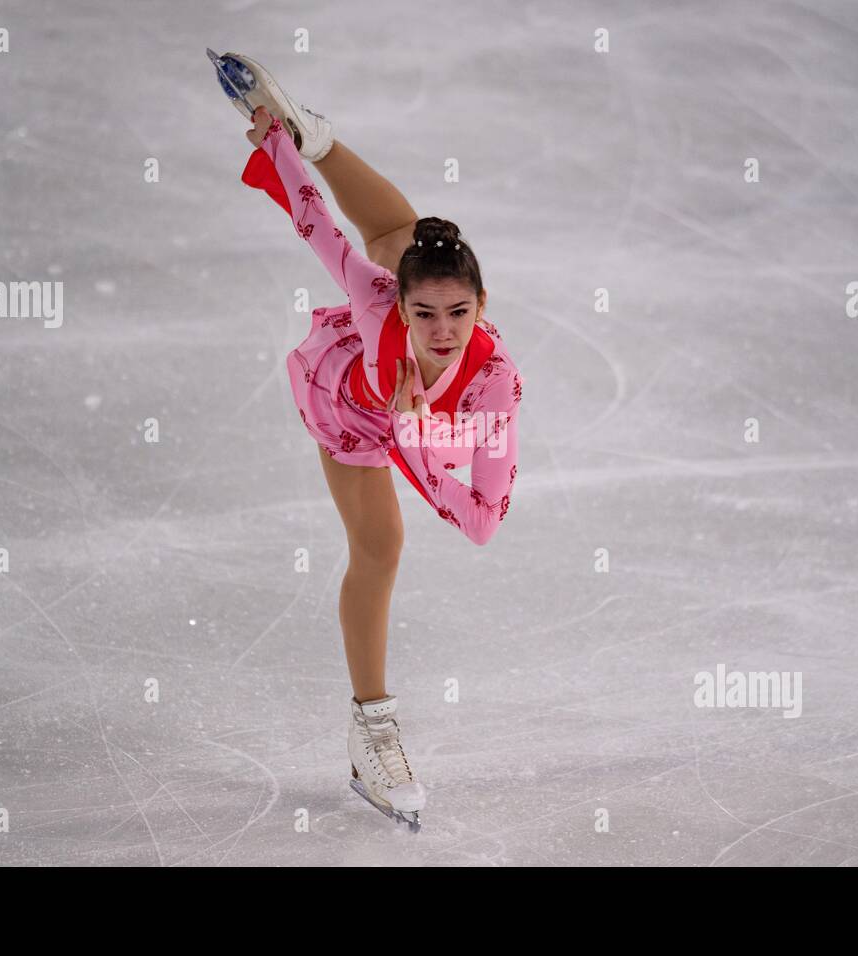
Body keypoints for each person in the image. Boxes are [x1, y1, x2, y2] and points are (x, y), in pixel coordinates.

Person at [209, 51, 524, 831]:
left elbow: (482, 520)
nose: (443, 331)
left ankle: (322, 135)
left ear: (483, 305)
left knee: (413, 240)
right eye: (426, 315)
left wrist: (419, 431)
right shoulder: (378, 301)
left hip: (420, 425)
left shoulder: (494, 382)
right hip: (347, 404)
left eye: (459, 313)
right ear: (402, 308)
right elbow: (311, 220)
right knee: (380, 549)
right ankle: (372, 728)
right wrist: (271, 146)